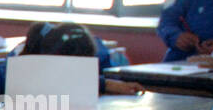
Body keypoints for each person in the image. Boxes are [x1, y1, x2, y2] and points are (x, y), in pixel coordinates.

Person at [15, 21, 145, 95]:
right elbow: (58, 80)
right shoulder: (17, 70)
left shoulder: (87, 47)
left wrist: (108, 84)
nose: (79, 74)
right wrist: (106, 84)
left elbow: (73, 79)